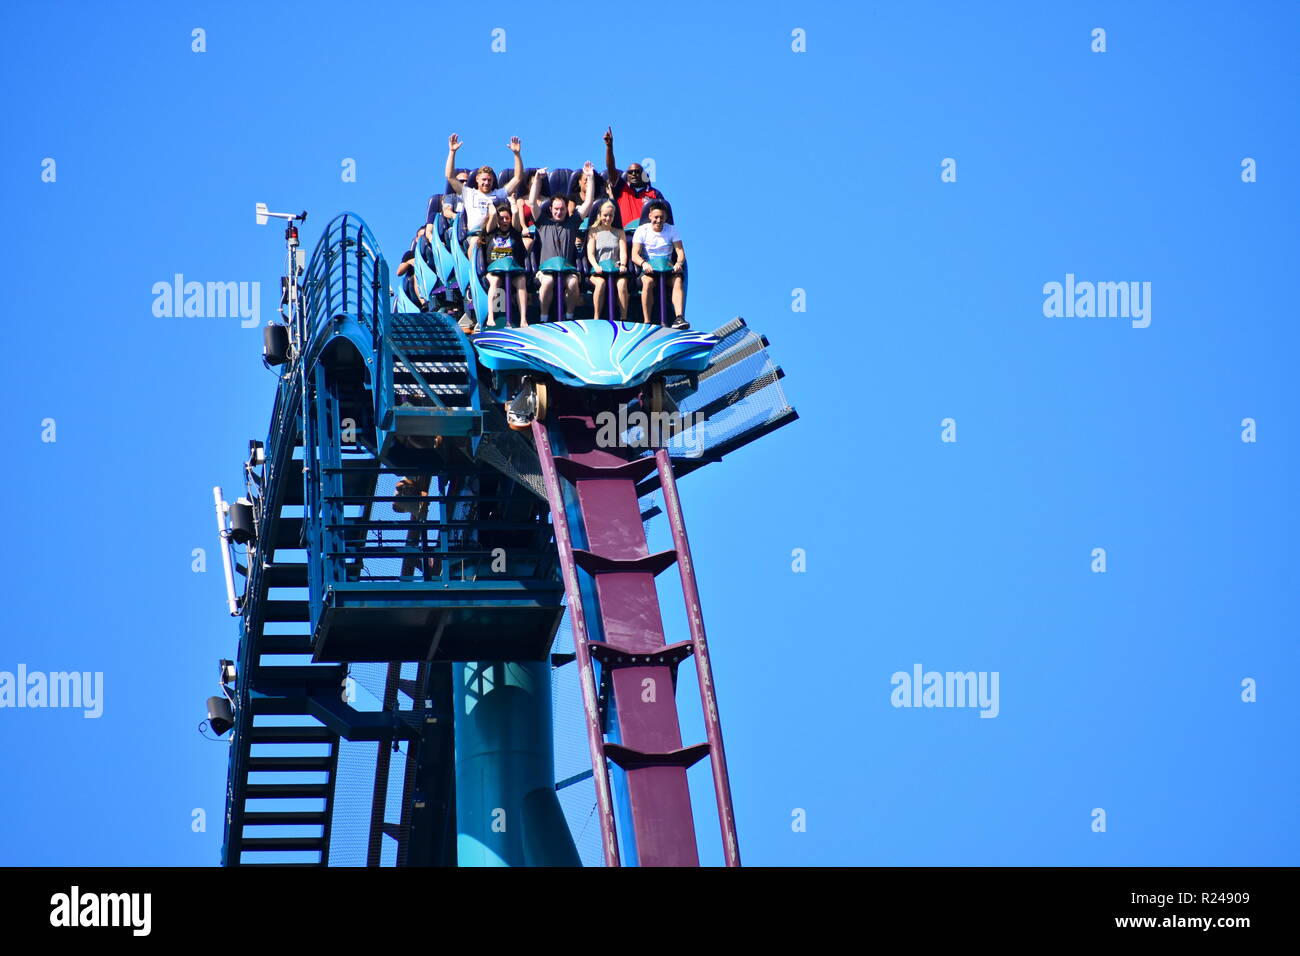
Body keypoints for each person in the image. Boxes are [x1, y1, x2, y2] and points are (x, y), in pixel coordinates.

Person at [529, 161, 596, 321]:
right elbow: (532, 203)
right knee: (548, 282)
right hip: (546, 270)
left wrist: (590, 178)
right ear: (551, 209)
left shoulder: (572, 223)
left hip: (567, 269)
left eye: (562, 209)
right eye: (556, 209)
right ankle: (544, 316)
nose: (559, 212)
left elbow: (588, 202)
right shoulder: (543, 222)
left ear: (567, 209)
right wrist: (537, 180)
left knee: (573, 283)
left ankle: (569, 316)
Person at [443, 134, 525, 251]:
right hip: (474, 235)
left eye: (489, 180)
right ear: (477, 179)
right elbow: (450, 176)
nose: (486, 183)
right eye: (484, 180)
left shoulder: (498, 194)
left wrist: (517, 155)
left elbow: (517, 178)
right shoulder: (469, 193)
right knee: (476, 243)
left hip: (494, 236)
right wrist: (452, 152)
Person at [631, 201, 687, 328]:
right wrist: (644, 264)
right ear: (650, 216)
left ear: (665, 217)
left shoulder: (672, 230)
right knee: (647, 282)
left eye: (661, 217)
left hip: (667, 268)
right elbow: (634, 254)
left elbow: (680, 251)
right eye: (656, 217)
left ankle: (679, 317)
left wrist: (678, 263)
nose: (658, 220)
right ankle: (647, 320)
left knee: (677, 280)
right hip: (650, 268)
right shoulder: (642, 230)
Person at [479, 198, 531, 328]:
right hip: (494, 270)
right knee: (495, 281)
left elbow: (516, 216)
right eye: (501, 218)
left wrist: (513, 203)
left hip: (512, 270)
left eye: (507, 218)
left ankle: (523, 319)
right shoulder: (491, 233)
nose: (504, 221)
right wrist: (491, 207)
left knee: (521, 281)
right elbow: (491, 217)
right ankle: (491, 316)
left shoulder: (514, 233)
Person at [604, 126, 663, 231]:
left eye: (637, 172)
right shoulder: (621, 188)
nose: (634, 174)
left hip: (647, 237)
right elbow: (611, 168)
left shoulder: (655, 194)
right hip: (623, 236)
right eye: (630, 172)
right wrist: (609, 147)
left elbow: (663, 216)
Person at [586, 199, 629, 320]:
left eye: (610, 215)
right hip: (599, 269)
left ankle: (623, 317)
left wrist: (623, 265)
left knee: (622, 284)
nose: (608, 218)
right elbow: (590, 254)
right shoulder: (593, 232)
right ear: (599, 215)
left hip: (615, 269)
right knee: (601, 283)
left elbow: (623, 252)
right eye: (605, 215)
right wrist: (596, 266)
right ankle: (597, 316)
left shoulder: (619, 232)